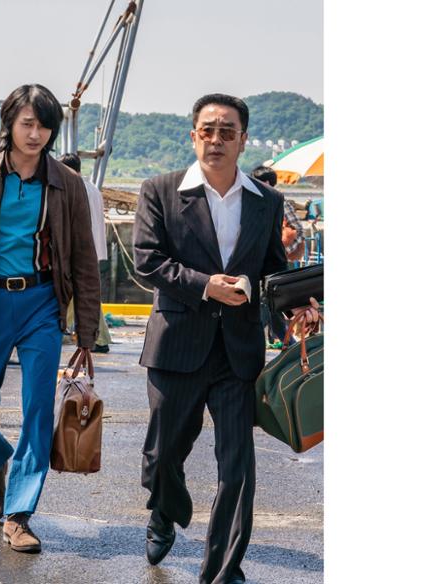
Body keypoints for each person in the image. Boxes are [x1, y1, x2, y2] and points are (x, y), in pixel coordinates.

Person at [133, 93, 318, 584]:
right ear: (193, 135)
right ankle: (164, 508)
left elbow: (273, 273)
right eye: (208, 130)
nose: (216, 140)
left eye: (227, 132)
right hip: (176, 345)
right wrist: (204, 285)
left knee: (237, 468)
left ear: (243, 140)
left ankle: (223, 571)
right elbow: (148, 260)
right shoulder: (160, 190)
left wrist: (296, 306)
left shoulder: (267, 201)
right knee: (162, 455)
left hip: (237, 353)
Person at [0, 84, 100, 554]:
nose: (35, 134)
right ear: (9, 123)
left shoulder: (67, 184)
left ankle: (19, 513)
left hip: (42, 305)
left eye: (45, 126)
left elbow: (85, 260)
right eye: (27, 123)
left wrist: (86, 333)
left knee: (37, 410)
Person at [58, 152, 112, 353]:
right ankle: (100, 338)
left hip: (79, 251)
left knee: (75, 293)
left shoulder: (73, 187)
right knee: (87, 294)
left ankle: (58, 330)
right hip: (93, 249)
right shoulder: (93, 189)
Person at [251, 165, 304, 347]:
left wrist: (282, 252)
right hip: (261, 264)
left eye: (256, 181)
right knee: (272, 309)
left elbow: (298, 230)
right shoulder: (256, 201)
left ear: (266, 182)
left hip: (277, 265)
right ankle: (290, 344)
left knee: (267, 303)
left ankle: (286, 343)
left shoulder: (279, 201)